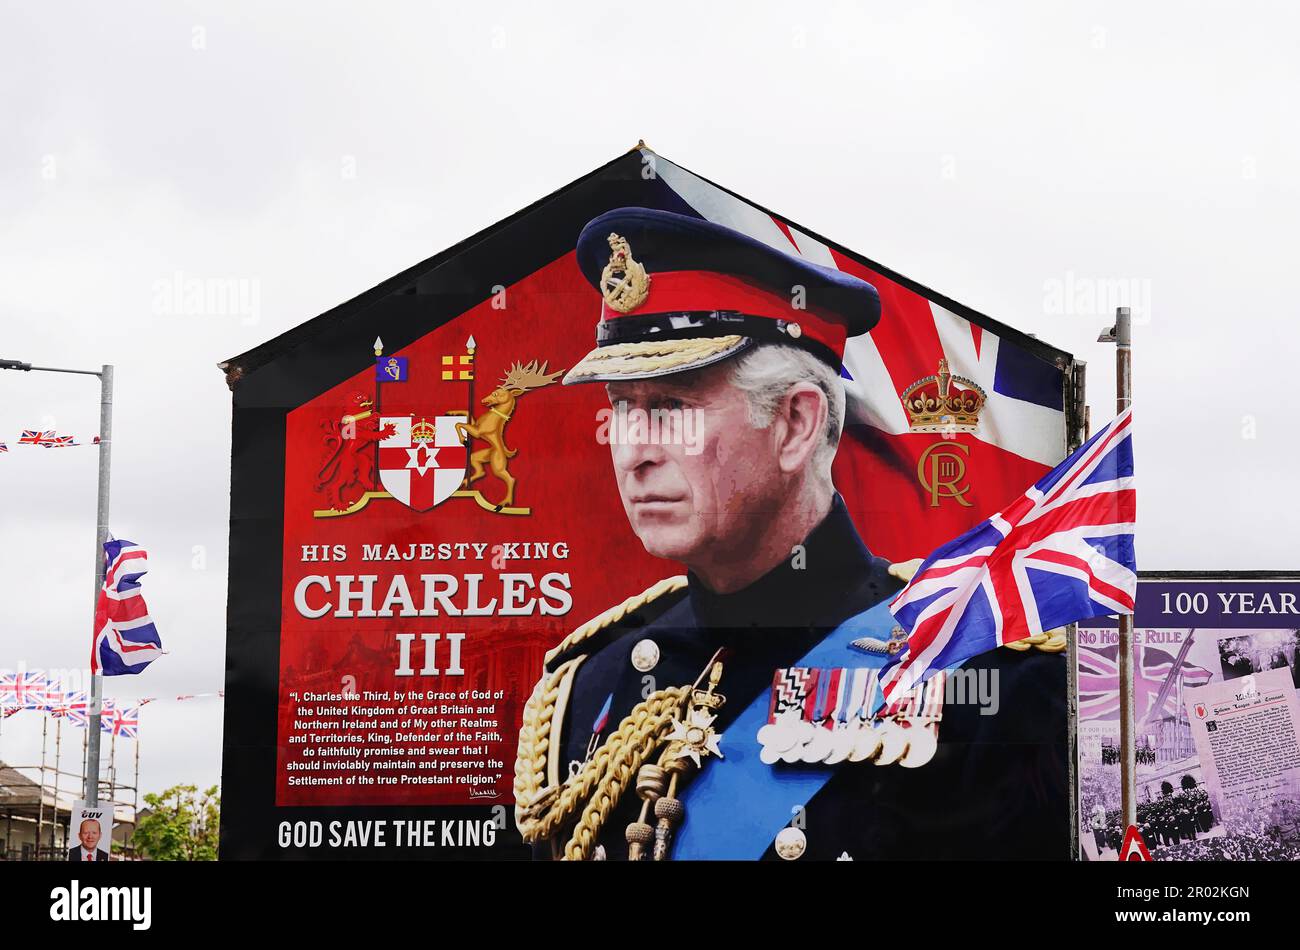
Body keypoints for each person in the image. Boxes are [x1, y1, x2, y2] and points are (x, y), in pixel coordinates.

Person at [513, 208, 1068, 860]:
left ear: (796, 425)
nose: (632, 451)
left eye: (670, 409)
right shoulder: (590, 685)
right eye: (621, 409)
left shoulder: (988, 679)